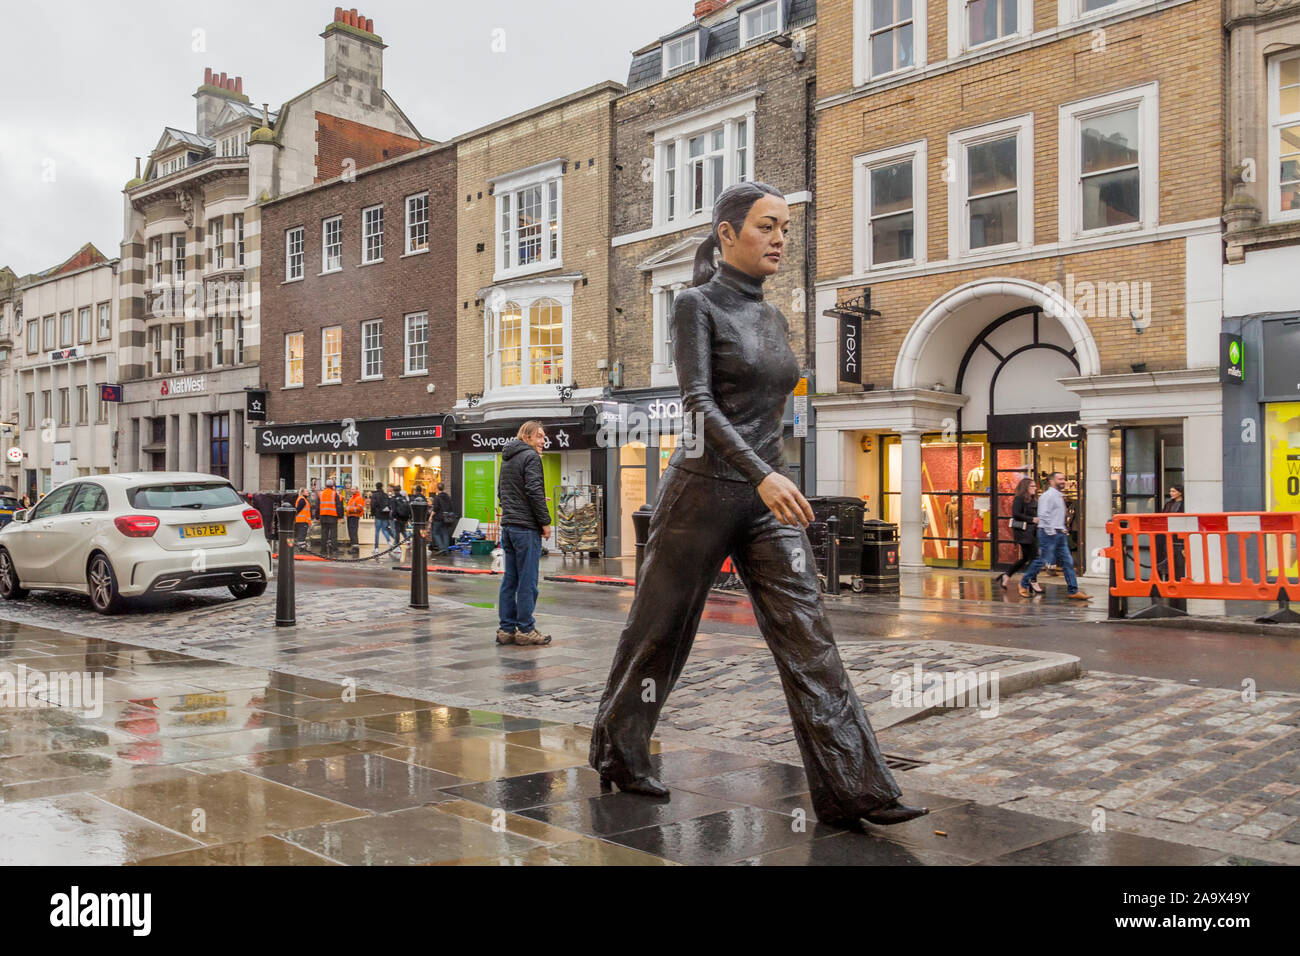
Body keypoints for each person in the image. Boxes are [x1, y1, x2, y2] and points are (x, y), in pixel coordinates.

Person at [587, 182, 926, 827]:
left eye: (785, 230)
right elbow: (697, 403)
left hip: (766, 497)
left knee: (810, 637)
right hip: (701, 494)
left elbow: (768, 410)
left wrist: (773, 476)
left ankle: (852, 786)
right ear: (726, 233)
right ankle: (621, 751)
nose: (779, 239)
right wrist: (760, 472)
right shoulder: (694, 305)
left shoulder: (771, 316)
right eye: (767, 226)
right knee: (659, 633)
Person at [496, 421, 553, 647]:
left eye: (543, 437)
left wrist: (517, 507)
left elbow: (503, 492)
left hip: (509, 526)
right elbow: (533, 490)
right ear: (527, 436)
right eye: (539, 436)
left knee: (510, 579)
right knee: (528, 581)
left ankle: (506, 629)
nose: (543, 441)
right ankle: (526, 629)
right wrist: (545, 522)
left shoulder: (507, 458)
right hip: (525, 528)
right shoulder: (531, 457)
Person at [1019, 471, 1090, 600]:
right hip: (1049, 533)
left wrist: (1062, 530)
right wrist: (1051, 531)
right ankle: (1023, 583)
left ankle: (1073, 590)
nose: (1063, 481)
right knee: (1042, 560)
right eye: (1060, 479)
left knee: (1067, 562)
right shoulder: (1047, 496)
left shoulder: (1058, 496)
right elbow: (1043, 514)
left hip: (1058, 533)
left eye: (1063, 479)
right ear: (1052, 481)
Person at [999, 478, 1041, 592]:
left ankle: (1006, 575)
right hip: (1024, 533)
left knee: (1026, 558)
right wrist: (1032, 519)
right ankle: (1033, 581)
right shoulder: (1019, 499)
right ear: (1025, 487)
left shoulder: (1033, 499)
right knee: (1035, 558)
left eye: (1035, 486)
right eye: (1032, 486)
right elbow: (1016, 514)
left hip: (1032, 532)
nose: (1035, 488)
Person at [1157, 484, 1187, 611]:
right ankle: (1171, 585)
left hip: (1179, 538)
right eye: (1170, 490)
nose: (1171, 493)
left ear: (1180, 492)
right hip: (1168, 537)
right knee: (1169, 564)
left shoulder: (1184, 505)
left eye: (1173, 491)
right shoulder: (1168, 504)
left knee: (1179, 565)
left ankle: (1179, 587)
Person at [318, 476, 342, 555]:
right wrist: (340, 516)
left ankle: (323, 550)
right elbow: (338, 506)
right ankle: (334, 549)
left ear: (325, 485)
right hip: (332, 516)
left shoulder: (320, 494)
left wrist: (316, 517)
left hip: (323, 516)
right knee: (333, 534)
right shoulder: (334, 494)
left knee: (324, 534)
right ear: (332, 486)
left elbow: (317, 506)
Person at [432, 482, 455, 553]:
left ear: (437, 488)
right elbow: (451, 507)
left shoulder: (437, 497)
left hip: (438, 518)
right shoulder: (448, 497)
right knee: (445, 533)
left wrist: (430, 517)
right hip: (446, 518)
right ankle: (446, 550)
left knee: (435, 533)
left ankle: (441, 548)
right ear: (444, 488)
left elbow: (435, 509)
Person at [371, 482, 393, 554]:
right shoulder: (385, 495)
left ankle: (376, 548)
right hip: (385, 514)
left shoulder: (374, 495)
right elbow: (389, 504)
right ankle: (389, 541)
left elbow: (373, 505)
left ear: (376, 487)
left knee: (377, 531)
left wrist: (372, 513)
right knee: (384, 529)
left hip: (378, 515)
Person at [390, 484, 411, 550]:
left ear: (394, 491)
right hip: (404, 518)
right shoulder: (403, 498)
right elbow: (408, 508)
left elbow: (394, 509)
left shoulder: (394, 499)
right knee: (403, 530)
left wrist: (394, 517)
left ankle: (397, 546)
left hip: (398, 517)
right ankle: (407, 541)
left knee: (397, 532)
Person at [345, 484, 365, 550]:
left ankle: (355, 547)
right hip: (350, 516)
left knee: (353, 532)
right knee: (351, 531)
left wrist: (349, 509)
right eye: (351, 489)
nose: (352, 490)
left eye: (353, 489)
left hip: (354, 516)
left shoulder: (359, 498)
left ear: (357, 490)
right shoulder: (352, 498)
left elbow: (360, 508)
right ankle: (353, 545)